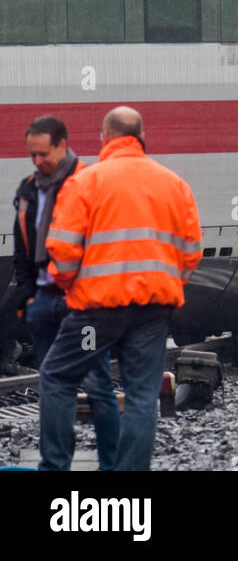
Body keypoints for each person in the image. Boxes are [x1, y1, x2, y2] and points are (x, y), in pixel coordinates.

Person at [39, 105, 202, 472]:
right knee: (143, 394)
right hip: (150, 315)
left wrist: (72, 288)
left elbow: (63, 252)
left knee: (60, 375)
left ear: (105, 137)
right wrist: (169, 285)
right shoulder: (173, 184)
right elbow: (191, 252)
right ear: (142, 138)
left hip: (95, 321)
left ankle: (55, 466)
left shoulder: (85, 182)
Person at [13, 115, 120, 471]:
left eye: (44, 153)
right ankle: (55, 465)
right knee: (52, 384)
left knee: (96, 381)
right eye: (33, 155)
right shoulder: (30, 189)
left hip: (84, 307)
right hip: (45, 304)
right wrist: (28, 298)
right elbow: (22, 250)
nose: (38, 161)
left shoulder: (90, 184)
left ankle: (112, 465)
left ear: (63, 145)